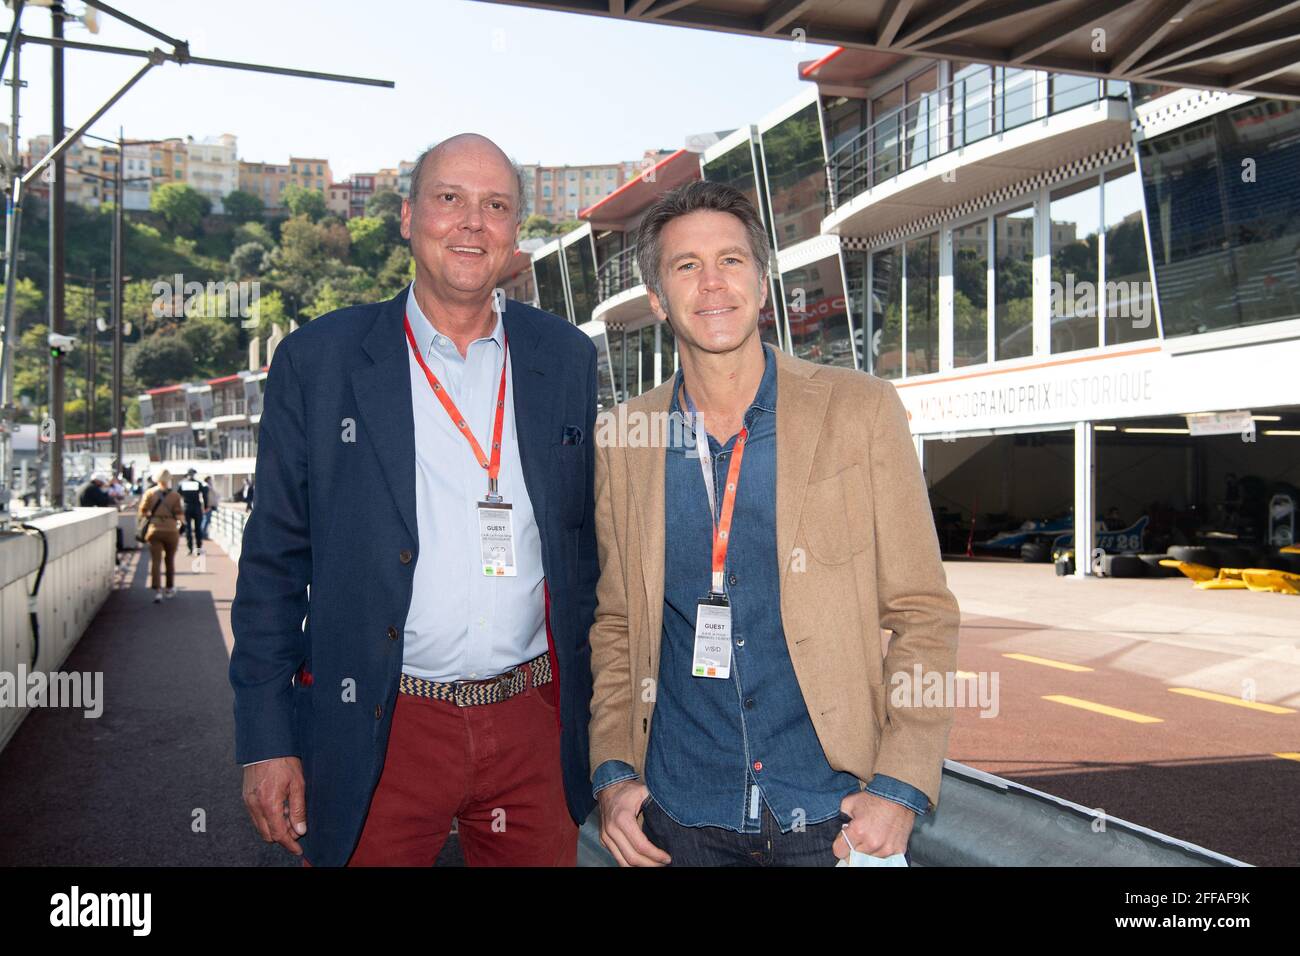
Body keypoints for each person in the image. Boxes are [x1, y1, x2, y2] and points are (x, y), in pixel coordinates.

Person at [230, 133, 600, 867]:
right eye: (449, 199)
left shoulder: (567, 358)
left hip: (533, 722)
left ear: (516, 232)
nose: (472, 222)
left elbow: (588, 546)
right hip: (381, 719)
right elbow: (273, 563)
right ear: (406, 217)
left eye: (496, 205)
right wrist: (267, 739)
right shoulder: (319, 360)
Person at [588, 182, 961, 867]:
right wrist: (612, 772)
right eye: (685, 266)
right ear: (657, 301)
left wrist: (902, 785)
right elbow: (616, 624)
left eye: (731, 260)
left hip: (834, 819)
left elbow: (923, 613)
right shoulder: (623, 437)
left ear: (762, 285)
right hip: (680, 821)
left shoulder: (861, 411)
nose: (711, 284)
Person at [138, 469, 184, 603]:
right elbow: (179, 514)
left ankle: (157, 590)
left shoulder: (150, 493)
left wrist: (153, 516)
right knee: (169, 560)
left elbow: (142, 511)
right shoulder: (175, 495)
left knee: (156, 561)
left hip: (154, 529)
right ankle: (169, 588)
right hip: (171, 530)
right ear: (168, 480)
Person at [177, 468, 209, 555]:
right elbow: (205, 495)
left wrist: (178, 508)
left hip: (186, 507)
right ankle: (198, 549)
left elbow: (177, 496)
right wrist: (206, 506)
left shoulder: (182, 484)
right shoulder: (198, 483)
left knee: (188, 529)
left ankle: (190, 549)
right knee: (198, 529)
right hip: (196, 507)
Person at [200, 476, 221, 542]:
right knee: (206, 521)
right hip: (208, 507)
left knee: (207, 521)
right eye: (210, 480)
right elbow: (205, 498)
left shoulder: (209, 487)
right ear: (208, 480)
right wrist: (206, 507)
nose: (212, 481)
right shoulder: (206, 487)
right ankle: (203, 535)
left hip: (210, 506)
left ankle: (204, 534)